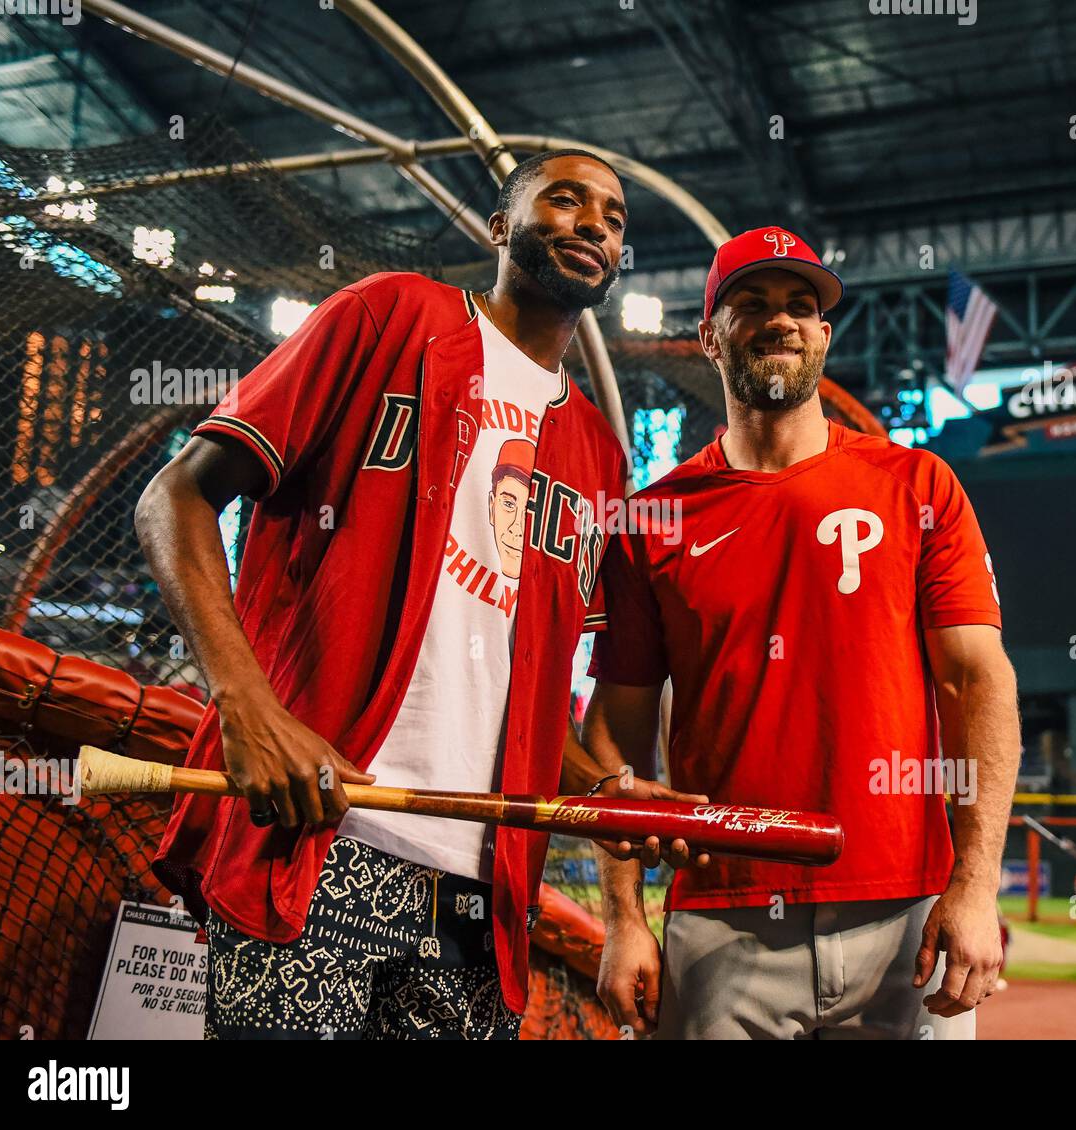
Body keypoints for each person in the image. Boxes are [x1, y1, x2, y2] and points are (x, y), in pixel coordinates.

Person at [137, 149, 691, 1040]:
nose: (595, 223)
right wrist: (246, 706)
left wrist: (610, 790)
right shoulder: (390, 314)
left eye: (615, 217)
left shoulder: (595, 450)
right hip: (320, 845)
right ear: (500, 227)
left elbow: (523, 714)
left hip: (481, 893)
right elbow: (174, 497)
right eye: (565, 199)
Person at [584, 226, 1021, 1039]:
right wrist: (624, 916)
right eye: (750, 304)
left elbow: (977, 682)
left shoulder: (918, 485)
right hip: (723, 917)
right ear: (709, 335)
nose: (780, 319)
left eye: (800, 306)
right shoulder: (650, 520)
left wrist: (977, 881)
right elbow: (616, 730)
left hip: (907, 911)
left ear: (823, 335)